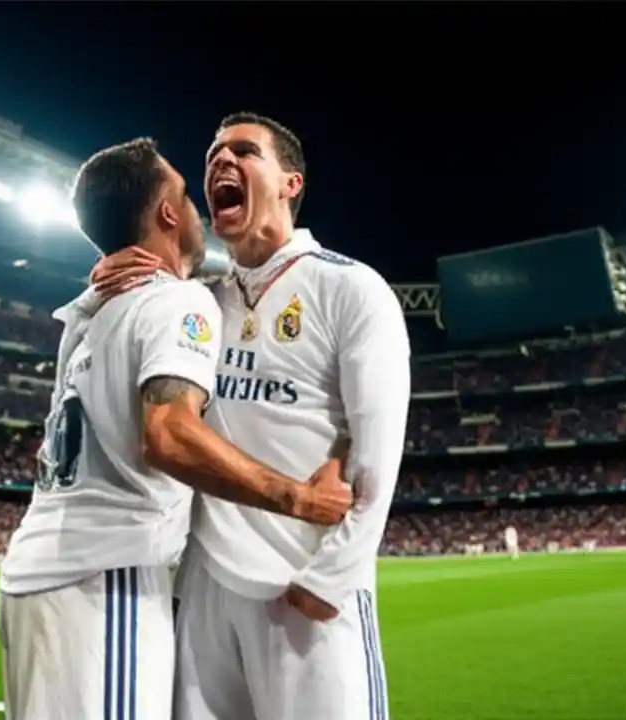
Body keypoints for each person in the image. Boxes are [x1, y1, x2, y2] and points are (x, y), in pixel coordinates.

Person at [0, 137, 354, 720]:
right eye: (186, 196)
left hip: (34, 580)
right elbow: (167, 435)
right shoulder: (178, 302)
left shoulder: (88, 314)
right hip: (105, 580)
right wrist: (296, 496)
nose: (196, 209)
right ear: (167, 212)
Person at [93, 113, 411, 720]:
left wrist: (335, 576)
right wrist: (114, 271)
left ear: (291, 184)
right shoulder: (200, 301)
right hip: (207, 587)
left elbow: (377, 445)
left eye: (244, 151)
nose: (220, 160)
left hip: (304, 584)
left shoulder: (351, 288)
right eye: (213, 154)